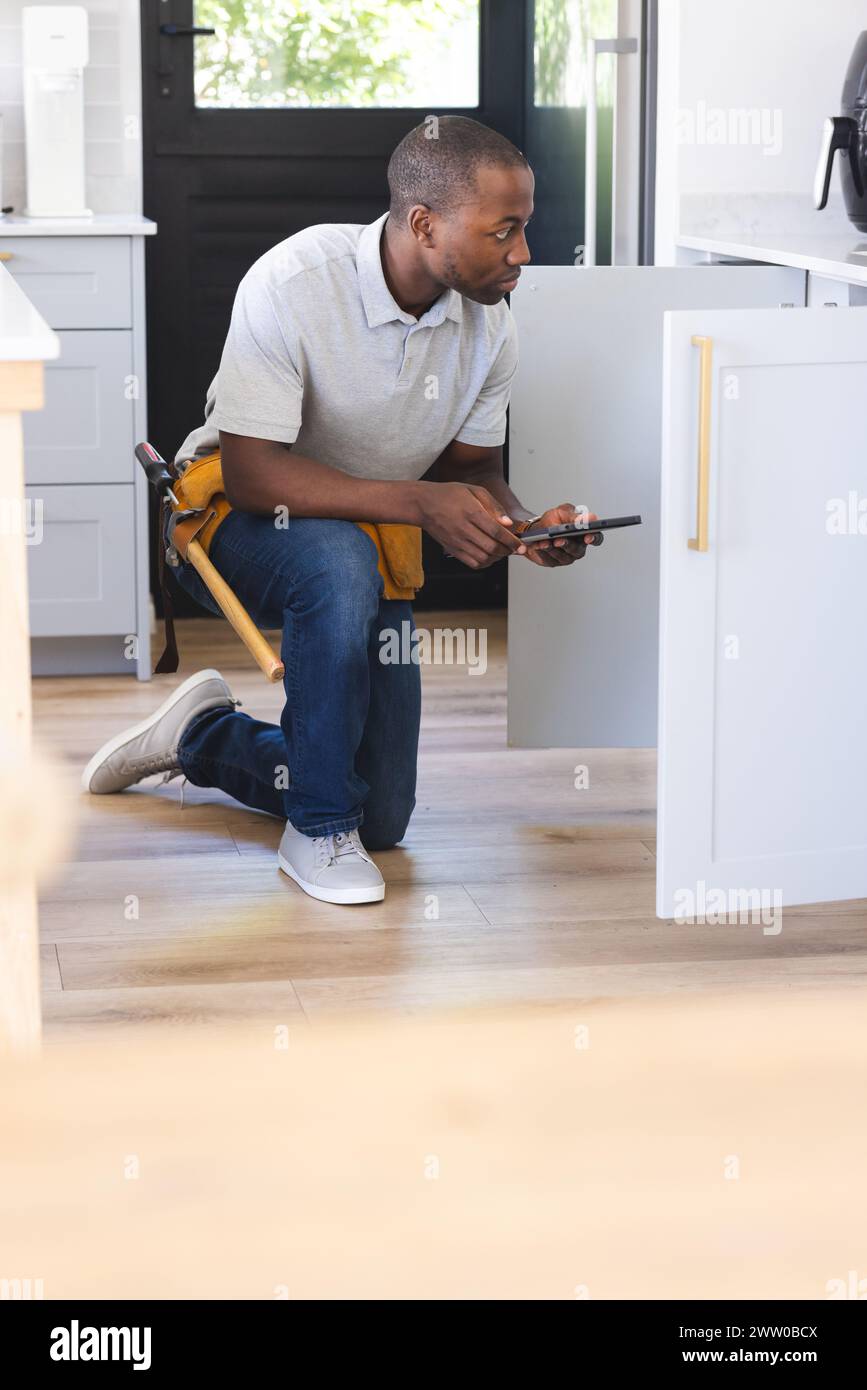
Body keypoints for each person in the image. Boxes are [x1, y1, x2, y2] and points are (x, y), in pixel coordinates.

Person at [82, 116, 602, 906]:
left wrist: (525, 525)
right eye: (504, 232)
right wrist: (420, 503)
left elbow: (473, 471)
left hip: (363, 546)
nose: (522, 255)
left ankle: (200, 736)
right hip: (228, 525)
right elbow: (256, 477)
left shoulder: (489, 324)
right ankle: (316, 832)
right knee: (339, 563)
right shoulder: (294, 282)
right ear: (425, 224)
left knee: (383, 816)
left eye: (523, 229)